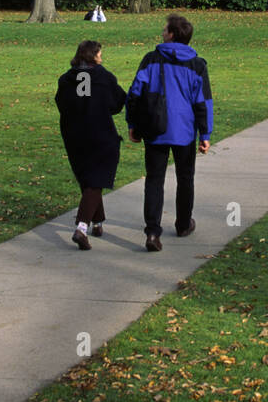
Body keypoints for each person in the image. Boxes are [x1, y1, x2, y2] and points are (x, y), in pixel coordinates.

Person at [126, 14, 213, 253]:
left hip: (155, 128)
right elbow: (203, 101)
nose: (162, 32)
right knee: (185, 178)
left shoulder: (151, 59)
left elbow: (135, 92)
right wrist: (205, 134)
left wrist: (132, 123)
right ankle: (183, 224)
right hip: (184, 131)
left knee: (154, 180)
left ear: (172, 34)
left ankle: (153, 231)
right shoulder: (196, 64)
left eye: (165, 29)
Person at [55, 39, 127, 250]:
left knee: (89, 178)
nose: (101, 57)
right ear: (92, 56)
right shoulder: (103, 77)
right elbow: (118, 102)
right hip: (100, 133)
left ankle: (98, 222)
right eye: (99, 54)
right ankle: (82, 227)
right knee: (96, 180)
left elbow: (61, 103)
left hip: (74, 135)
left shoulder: (66, 79)